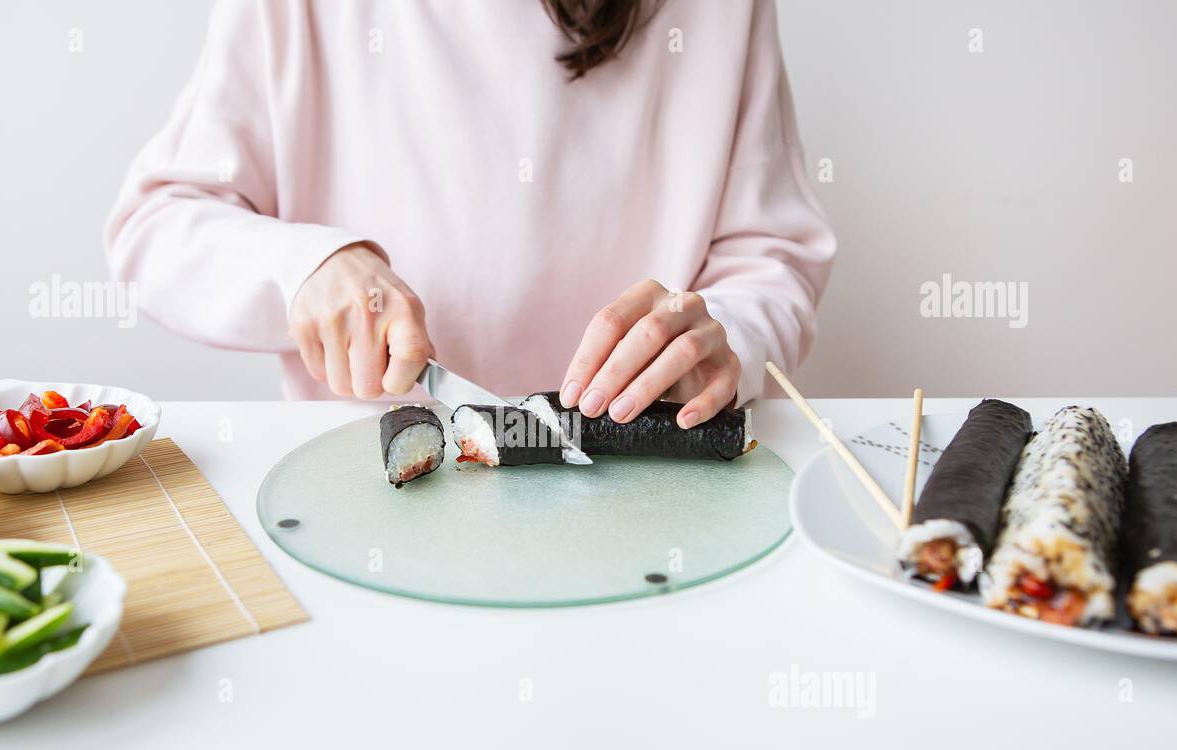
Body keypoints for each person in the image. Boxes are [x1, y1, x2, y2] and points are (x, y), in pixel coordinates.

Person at [106, 0, 834, 429]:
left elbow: (771, 255)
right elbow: (159, 222)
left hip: (647, 488)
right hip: (360, 489)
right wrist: (304, 268)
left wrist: (718, 343)